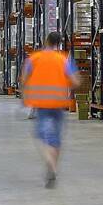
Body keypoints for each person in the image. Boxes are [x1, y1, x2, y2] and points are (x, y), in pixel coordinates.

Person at [22, 32, 81, 188]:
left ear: (45, 41)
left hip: (41, 105)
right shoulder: (64, 59)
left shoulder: (34, 58)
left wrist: (26, 96)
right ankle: (53, 167)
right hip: (59, 104)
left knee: (43, 136)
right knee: (55, 138)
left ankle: (50, 164)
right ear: (59, 43)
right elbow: (75, 81)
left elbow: (24, 79)